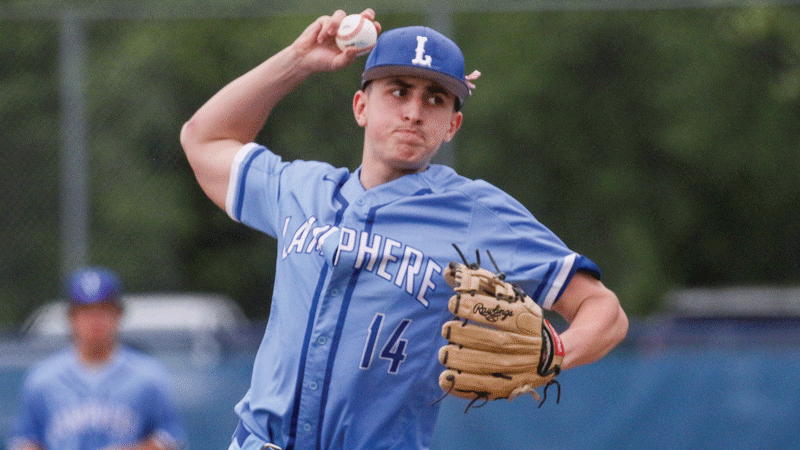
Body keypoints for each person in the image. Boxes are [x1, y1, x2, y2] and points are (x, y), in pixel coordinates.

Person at [179, 8, 628, 450]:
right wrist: (297, 59)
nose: (414, 112)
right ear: (361, 107)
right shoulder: (300, 189)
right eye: (398, 91)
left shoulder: (474, 211)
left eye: (434, 99)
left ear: (452, 125)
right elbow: (203, 138)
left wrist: (556, 353)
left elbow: (603, 310)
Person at [9, 267, 187, 450]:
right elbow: (25, 440)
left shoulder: (148, 375)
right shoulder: (43, 378)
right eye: (86, 311)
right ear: (71, 317)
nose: (95, 320)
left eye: (103, 310)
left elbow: (170, 438)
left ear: (118, 314)